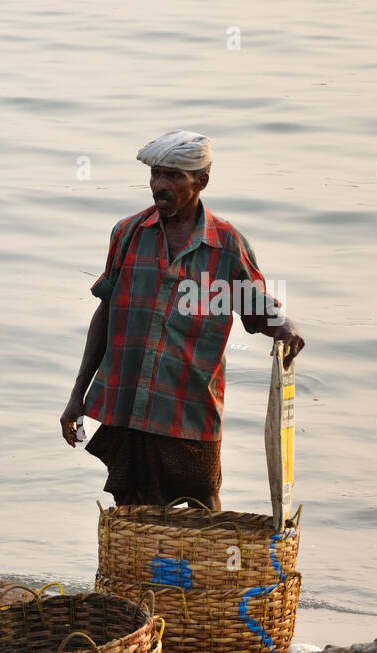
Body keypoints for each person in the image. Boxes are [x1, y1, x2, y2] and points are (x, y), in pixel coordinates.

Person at [60, 130, 306, 509]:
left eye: (173, 176)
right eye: (156, 174)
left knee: (203, 503)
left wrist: (285, 327)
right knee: (131, 510)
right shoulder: (128, 235)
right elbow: (106, 311)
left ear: (201, 181)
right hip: (127, 402)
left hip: (188, 406)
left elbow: (258, 309)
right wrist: (77, 394)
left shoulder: (225, 246)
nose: (160, 185)